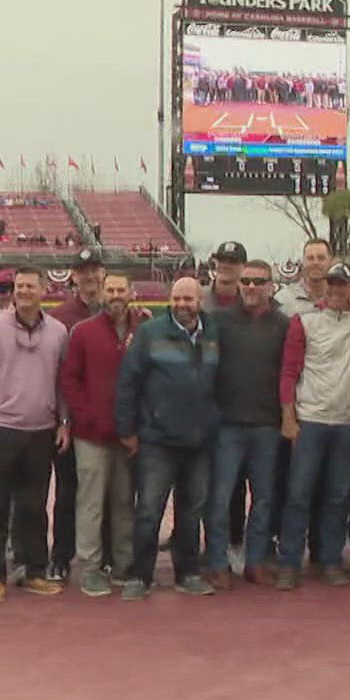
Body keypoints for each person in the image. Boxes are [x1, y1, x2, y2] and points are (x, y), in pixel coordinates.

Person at [0, 266, 70, 603]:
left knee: (35, 507)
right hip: (1, 429)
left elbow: (62, 382)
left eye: (31, 286)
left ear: (43, 291)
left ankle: (35, 571)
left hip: (41, 431)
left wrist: (64, 421)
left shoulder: (57, 331)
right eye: (20, 286)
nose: (24, 291)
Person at [116, 277, 222, 599]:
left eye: (188, 299)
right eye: (176, 298)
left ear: (200, 301)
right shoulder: (150, 333)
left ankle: (187, 573)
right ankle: (140, 577)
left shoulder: (213, 334)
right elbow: (128, 383)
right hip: (157, 440)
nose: (181, 305)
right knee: (149, 510)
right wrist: (128, 430)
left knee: (191, 512)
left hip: (200, 440)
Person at [277, 263, 350, 588]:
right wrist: (289, 417)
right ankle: (289, 561)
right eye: (332, 284)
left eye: (342, 285)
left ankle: (329, 560)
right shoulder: (304, 321)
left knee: (338, 496)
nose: (336, 290)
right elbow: (288, 372)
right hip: (311, 419)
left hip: (346, 421)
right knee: (299, 494)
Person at [210, 258, 289, 586]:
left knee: (264, 498)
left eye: (259, 281)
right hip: (226, 424)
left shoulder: (284, 324)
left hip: (266, 425)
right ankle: (217, 562)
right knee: (220, 497)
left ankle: (255, 561)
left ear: (271, 285)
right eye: (246, 282)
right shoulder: (219, 321)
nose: (252, 287)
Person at [59, 271, 138, 597]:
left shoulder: (143, 329)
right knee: (91, 502)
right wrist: (86, 418)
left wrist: (136, 426)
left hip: (129, 435)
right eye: (111, 290)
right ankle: (90, 567)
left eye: (121, 289)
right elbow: (70, 379)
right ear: (102, 293)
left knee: (123, 502)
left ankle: (123, 565)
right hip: (91, 434)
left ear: (132, 293)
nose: (116, 295)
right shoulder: (83, 331)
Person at [47, 247, 106, 583]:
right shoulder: (59, 317)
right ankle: (62, 555)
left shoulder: (121, 311)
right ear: (73, 275)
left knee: (109, 492)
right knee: (68, 491)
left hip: (107, 419)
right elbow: (57, 374)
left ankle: (106, 555)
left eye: (94, 269)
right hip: (72, 419)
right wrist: (63, 419)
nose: (89, 275)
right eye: (82, 270)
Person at [277, 238, 331, 315]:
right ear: (303, 262)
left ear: (330, 261)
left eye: (321, 258)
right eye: (310, 258)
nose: (315, 262)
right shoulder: (283, 299)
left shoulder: (342, 298)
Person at [205, 241, 248, 310]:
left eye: (232, 261)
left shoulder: (249, 303)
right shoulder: (198, 297)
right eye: (221, 260)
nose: (225, 266)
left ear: (244, 267)